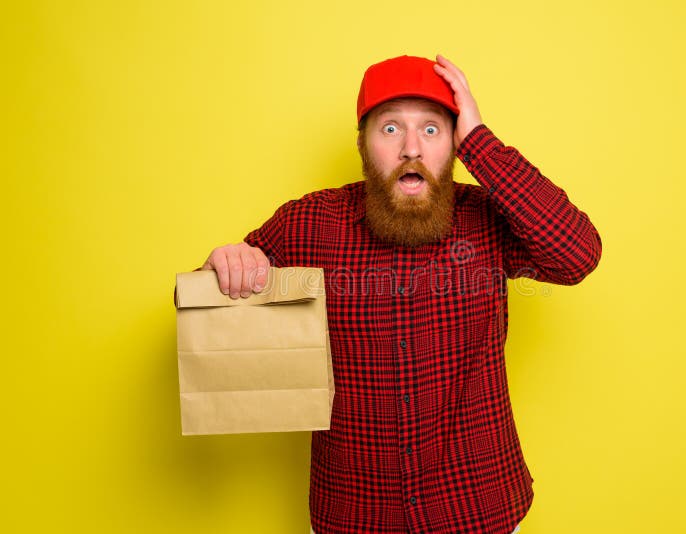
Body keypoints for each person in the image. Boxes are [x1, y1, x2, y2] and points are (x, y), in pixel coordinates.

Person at [200, 54, 602, 533]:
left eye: (432, 130)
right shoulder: (307, 224)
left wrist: (481, 143)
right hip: (352, 513)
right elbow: (220, 311)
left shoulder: (487, 218)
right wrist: (225, 266)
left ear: (453, 143)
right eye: (390, 129)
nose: (411, 147)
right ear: (363, 145)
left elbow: (577, 255)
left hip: (478, 506)